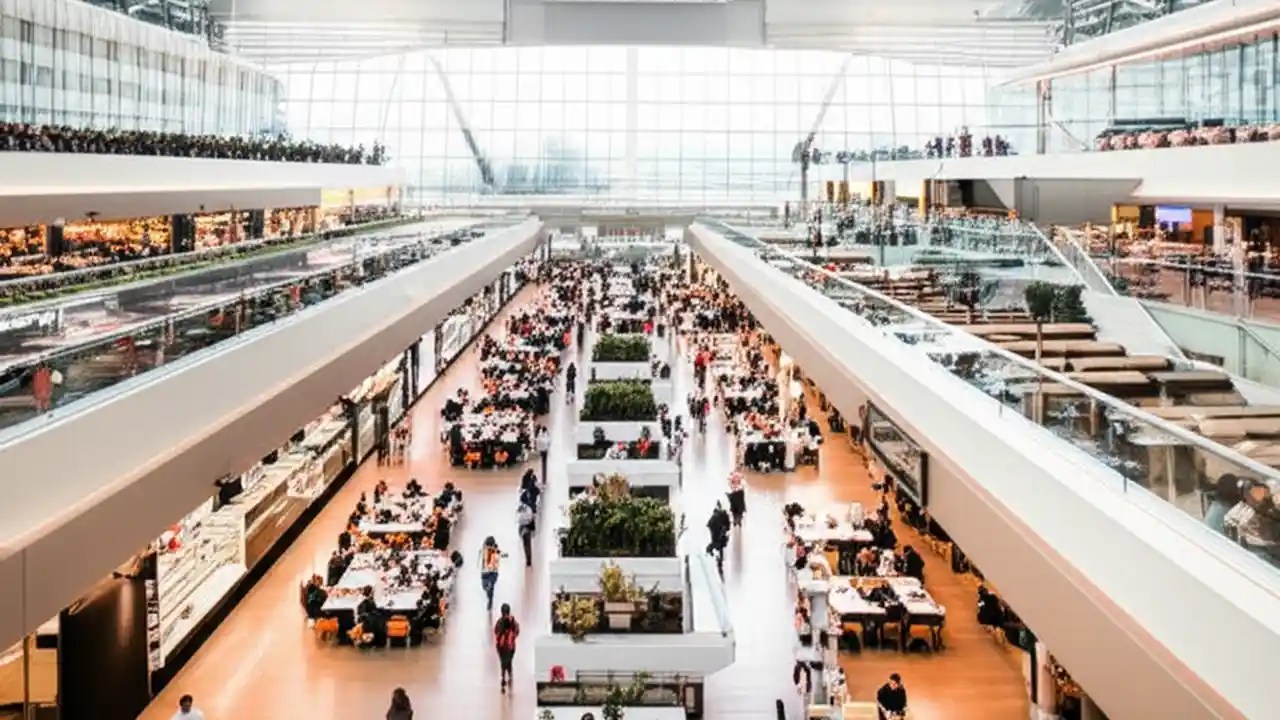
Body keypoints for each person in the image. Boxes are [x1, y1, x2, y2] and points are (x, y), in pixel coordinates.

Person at [494, 602, 521, 693]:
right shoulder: (513, 621)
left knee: (503, 661)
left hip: (501, 646)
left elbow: (496, 631)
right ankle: (508, 673)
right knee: (508, 660)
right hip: (510, 646)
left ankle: (504, 675)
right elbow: (517, 631)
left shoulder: (500, 621)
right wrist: (512, 636)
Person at [480, 536, 506, 611]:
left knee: (491, 587)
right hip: (484, 573)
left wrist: (497, 552)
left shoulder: (495, 550)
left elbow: (504, 555)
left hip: (493, 573)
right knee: (485, 587)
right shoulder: (484, 549)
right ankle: (488, 590)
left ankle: (490, 601)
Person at [706, 501, 731, 574]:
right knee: (719, 544)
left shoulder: (718, 514)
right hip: (718, 532)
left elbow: (709, 524)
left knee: (719, 545)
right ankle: (711, 551)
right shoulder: (721, 514)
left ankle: (717, 557)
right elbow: (726, 524)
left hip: (718, 532)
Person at [518, 501, 536, 568]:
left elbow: (530, 519)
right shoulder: (521, 511)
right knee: (526, 545)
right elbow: (519, 519)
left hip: (527, 527)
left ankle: (529, 560)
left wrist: (525, 522)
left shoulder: (528, 509)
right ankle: (528, 559)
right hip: (524, 527)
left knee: (527, 545)